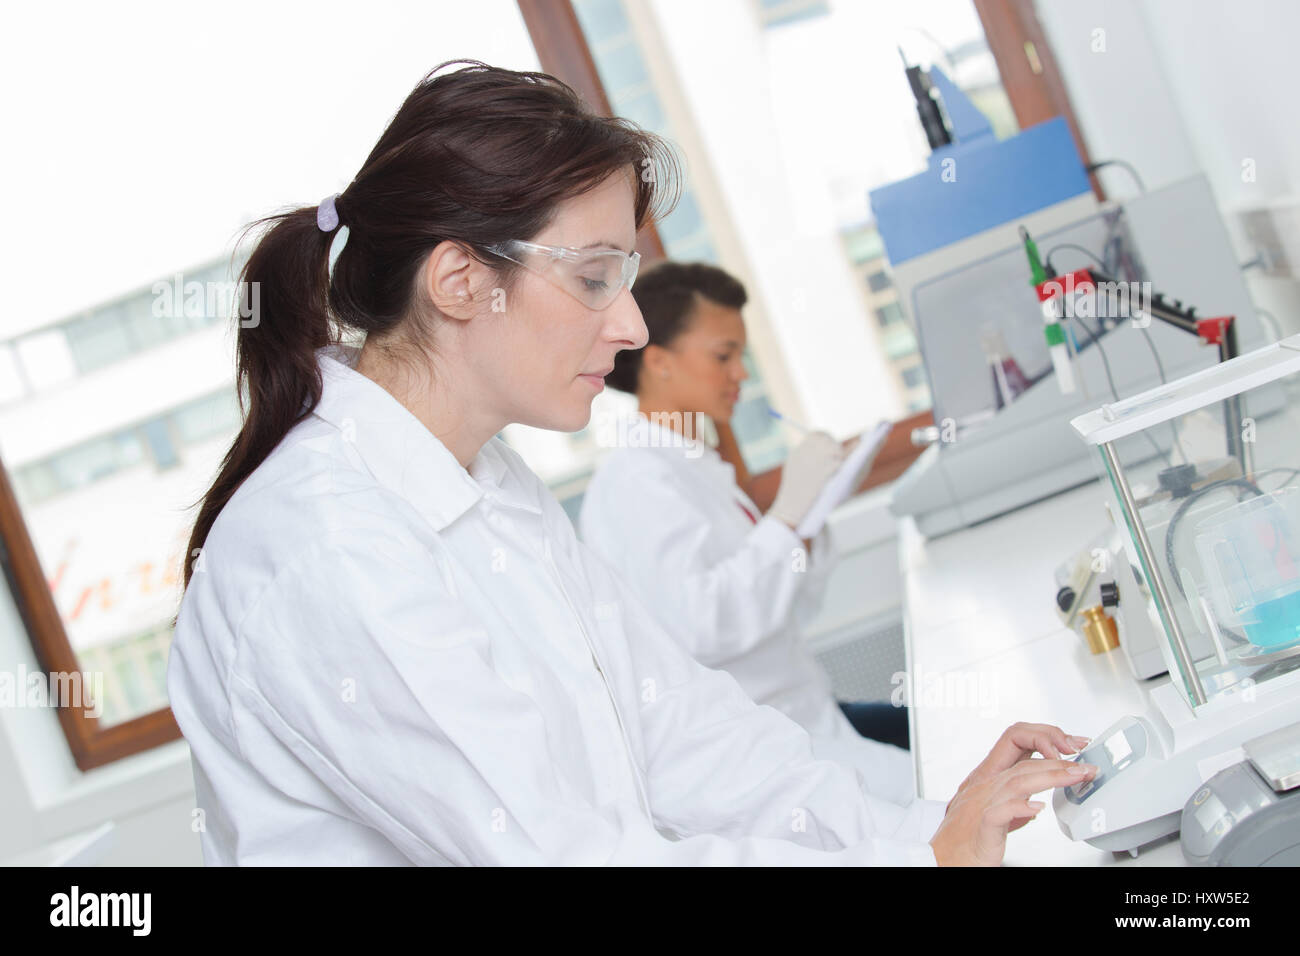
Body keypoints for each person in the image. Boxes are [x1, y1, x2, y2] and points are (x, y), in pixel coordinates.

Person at [166, 60, 1096, 866]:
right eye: (593, 277)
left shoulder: (488, 484)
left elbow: (682, 730)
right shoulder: (328, 549)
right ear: (460, 282)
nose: (634, 327)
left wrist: (923, 835)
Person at [578, 262, 918, 806]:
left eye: (741, 356)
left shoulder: (697, 466)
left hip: (808, 716)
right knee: (940, 784)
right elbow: (702, 626)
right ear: (659, 361)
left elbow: (790, 606)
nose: (740, 373)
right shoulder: (636, 483)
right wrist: (786, 520)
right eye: (723, 356)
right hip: (757, 751)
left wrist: (810, 516)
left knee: (940, 741)